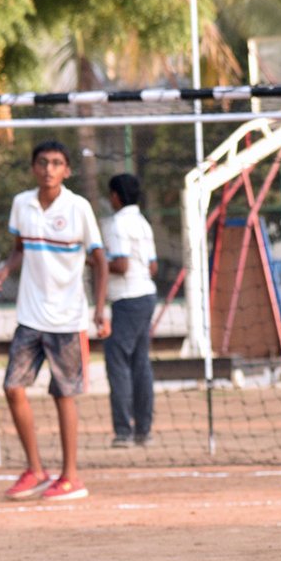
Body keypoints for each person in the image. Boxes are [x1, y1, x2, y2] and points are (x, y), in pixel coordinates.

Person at [0, 141, 107, 501]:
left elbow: (99, 260)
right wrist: (5, 270)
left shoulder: (79, 208)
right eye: (42, 162)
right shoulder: (22, 204)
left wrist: (100, 310)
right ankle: (35, 469)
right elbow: (20, 247)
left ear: (66, 170)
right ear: (33, 167)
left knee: (63, 394)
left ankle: (71, 476)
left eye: (56, 163)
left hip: (68, 319)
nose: (49, 168)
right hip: (30, 316)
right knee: (12, 387)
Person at [102, 173, 158, 448]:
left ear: (115, 196)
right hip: (147, 295)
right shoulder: (143, 223)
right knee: (140, 363)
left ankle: (123, 431)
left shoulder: (117, 224)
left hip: (127, 298)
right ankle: (143, 430)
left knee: (118, 363)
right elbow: (153, 267)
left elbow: (121, 265)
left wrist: (94, 263)